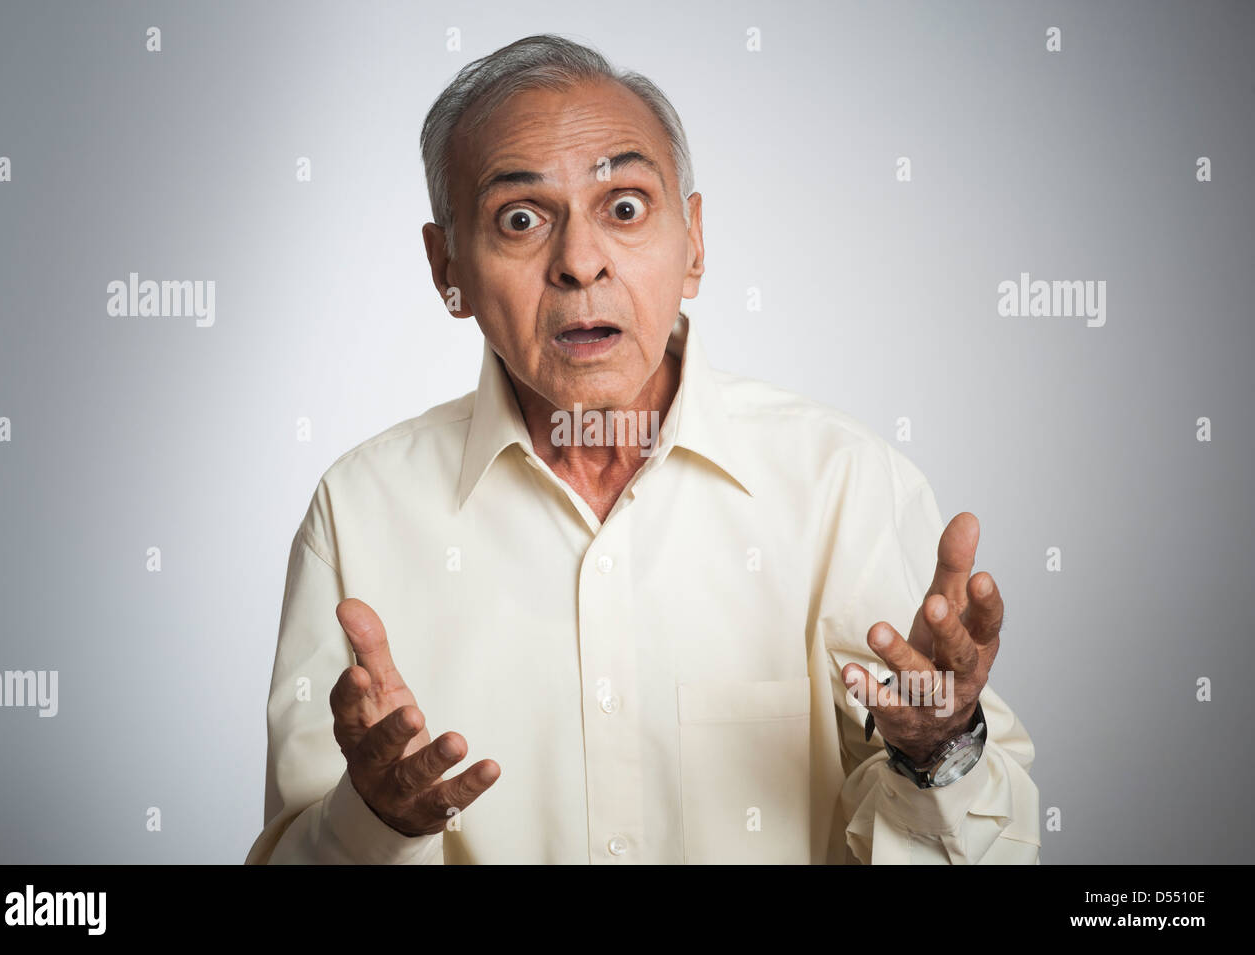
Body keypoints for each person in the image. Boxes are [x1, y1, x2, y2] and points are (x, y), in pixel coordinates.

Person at [245, 33, 1040, 865]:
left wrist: (940, 749)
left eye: (624, 207)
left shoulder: (840, 483)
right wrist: (376, 820)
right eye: (520, 219)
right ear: (448, 269)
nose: (580, 262)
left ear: (694, 243)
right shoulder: (359, 512)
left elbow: (998, 854)